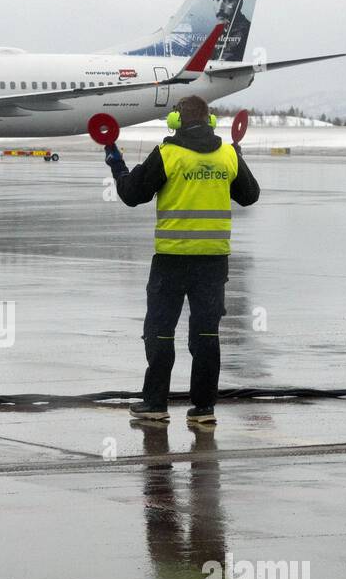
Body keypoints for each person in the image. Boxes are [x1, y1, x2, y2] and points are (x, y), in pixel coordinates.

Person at [105, 95, 259, 425]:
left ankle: (156, 405)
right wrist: (238, 160)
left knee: (160, 332)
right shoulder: (227, 155)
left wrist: (117, 164)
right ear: (210, 121)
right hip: (213, 263)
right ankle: (204, 409)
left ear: (176, 121)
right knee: (206, 335)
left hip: (171, 260)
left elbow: (133, 195)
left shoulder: (168, 154)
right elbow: (250, 196)